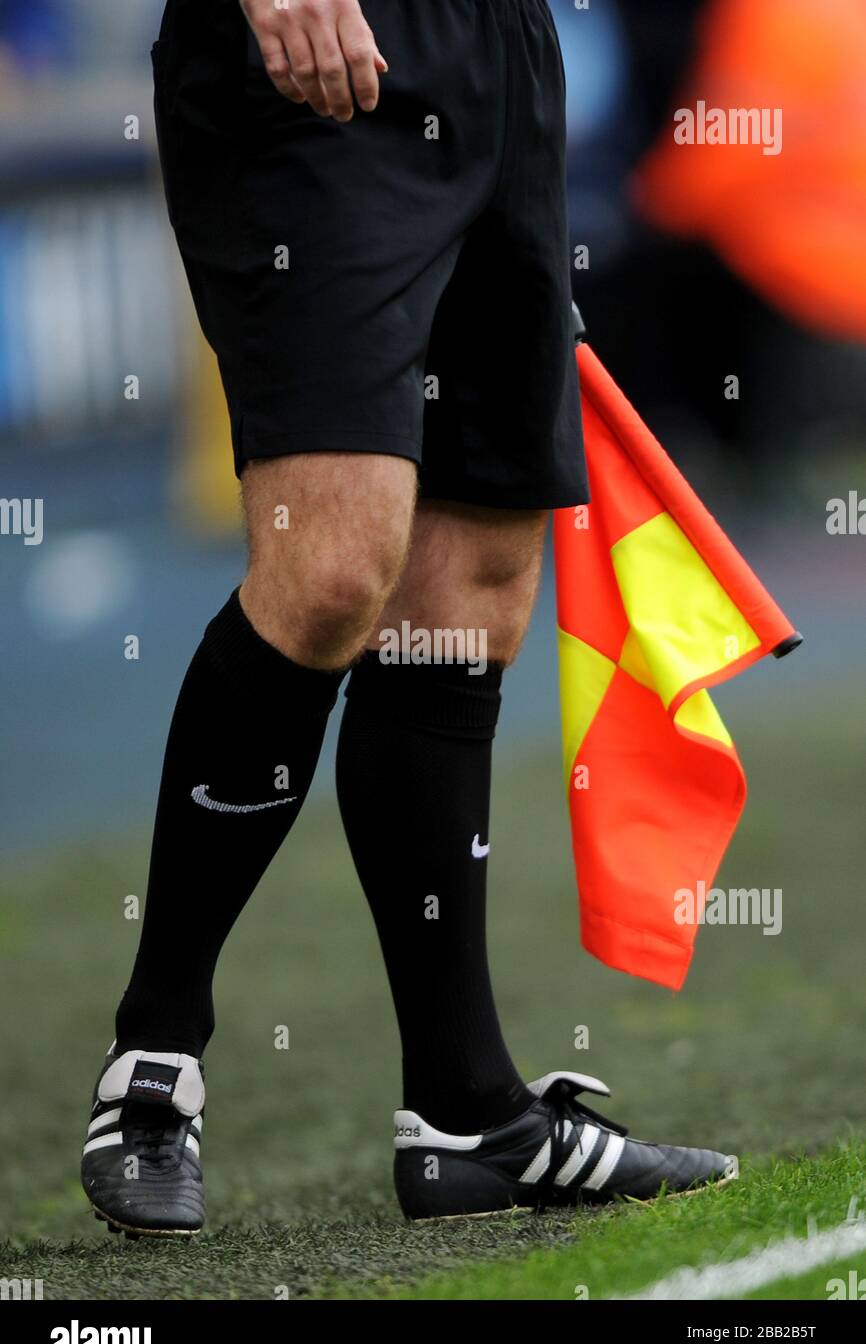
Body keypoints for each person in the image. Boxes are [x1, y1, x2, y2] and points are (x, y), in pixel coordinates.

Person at [81, 0, 735, 1237]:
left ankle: (464, 1111)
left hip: (499, 53)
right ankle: (152, 1060)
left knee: (468, 589)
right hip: (319, 52)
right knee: (330, 566)